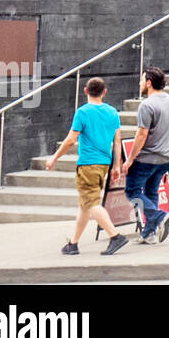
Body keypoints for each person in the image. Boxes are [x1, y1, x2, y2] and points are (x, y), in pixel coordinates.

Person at [46, 76, 128, 256]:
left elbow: (70, 140)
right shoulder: (112, 112)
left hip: (87, 164)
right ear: (104, 92)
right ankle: (73, 244)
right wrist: (116, 166)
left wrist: (54, 158)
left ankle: (115, 236)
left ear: (85, 91)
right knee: (85, 205)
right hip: (104, 164)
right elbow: (117, 141)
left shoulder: (82, 113)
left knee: (90, 203)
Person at [122, 66, 169, 245]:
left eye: (141, 80)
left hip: (147, 158)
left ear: (148, 83)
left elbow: (141, 134)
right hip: (166, 157)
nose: (139, 83)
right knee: (151, 191)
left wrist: (130, 159)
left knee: (131, 191)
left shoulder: (146, 105)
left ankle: (159, 216)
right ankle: (149, 234)